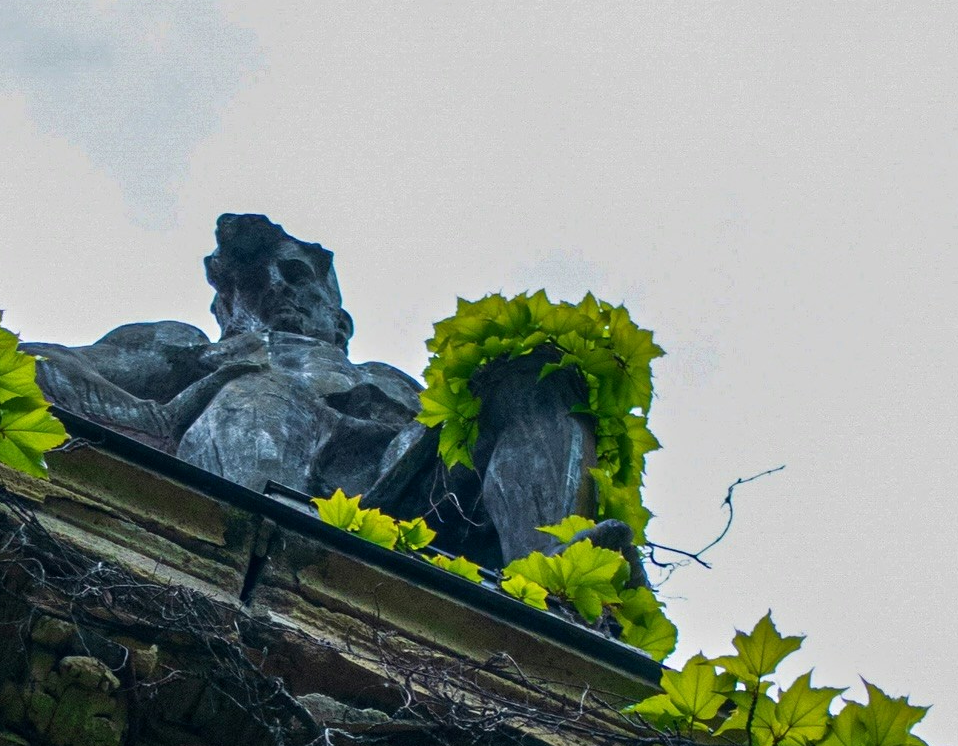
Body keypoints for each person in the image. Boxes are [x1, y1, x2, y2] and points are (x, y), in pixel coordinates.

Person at [32, 214, 592, 564]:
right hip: (239, 504)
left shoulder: (388, 381)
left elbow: (449, 451)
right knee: (255, 396)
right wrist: (167, 411)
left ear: (340, 323)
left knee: (534, 376)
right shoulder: (188, 347)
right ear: (224, 307)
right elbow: (44, 366)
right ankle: (224, 560)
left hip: (393, 514)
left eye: (296, 277)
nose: (276, 288)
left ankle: (552, 582)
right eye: (255, 280)